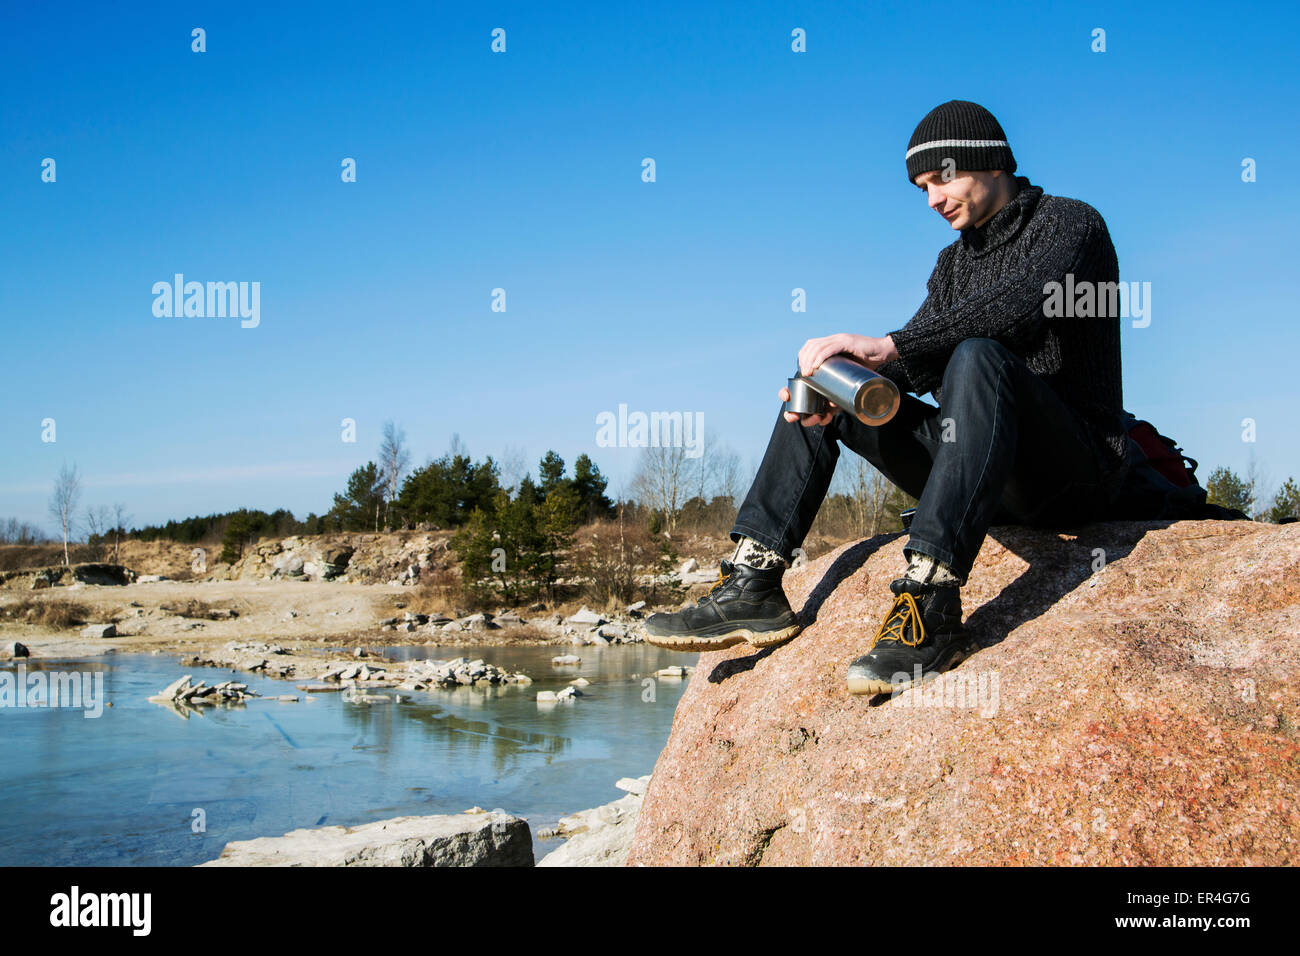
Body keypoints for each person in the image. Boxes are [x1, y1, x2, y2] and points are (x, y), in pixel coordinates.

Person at [644, 100, 1130, 696]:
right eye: (922, 187)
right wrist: (841, 388)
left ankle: (930, 600)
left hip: (1070, 470)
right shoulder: (953, 264)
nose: (932, 199)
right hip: (982, 474)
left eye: (942, 177)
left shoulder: (1070, 224)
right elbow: (918, 363)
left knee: (978, 354)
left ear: (992, 162)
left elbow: (1020, 308)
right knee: (827, 380)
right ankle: (755, 582)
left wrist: (887, 345)